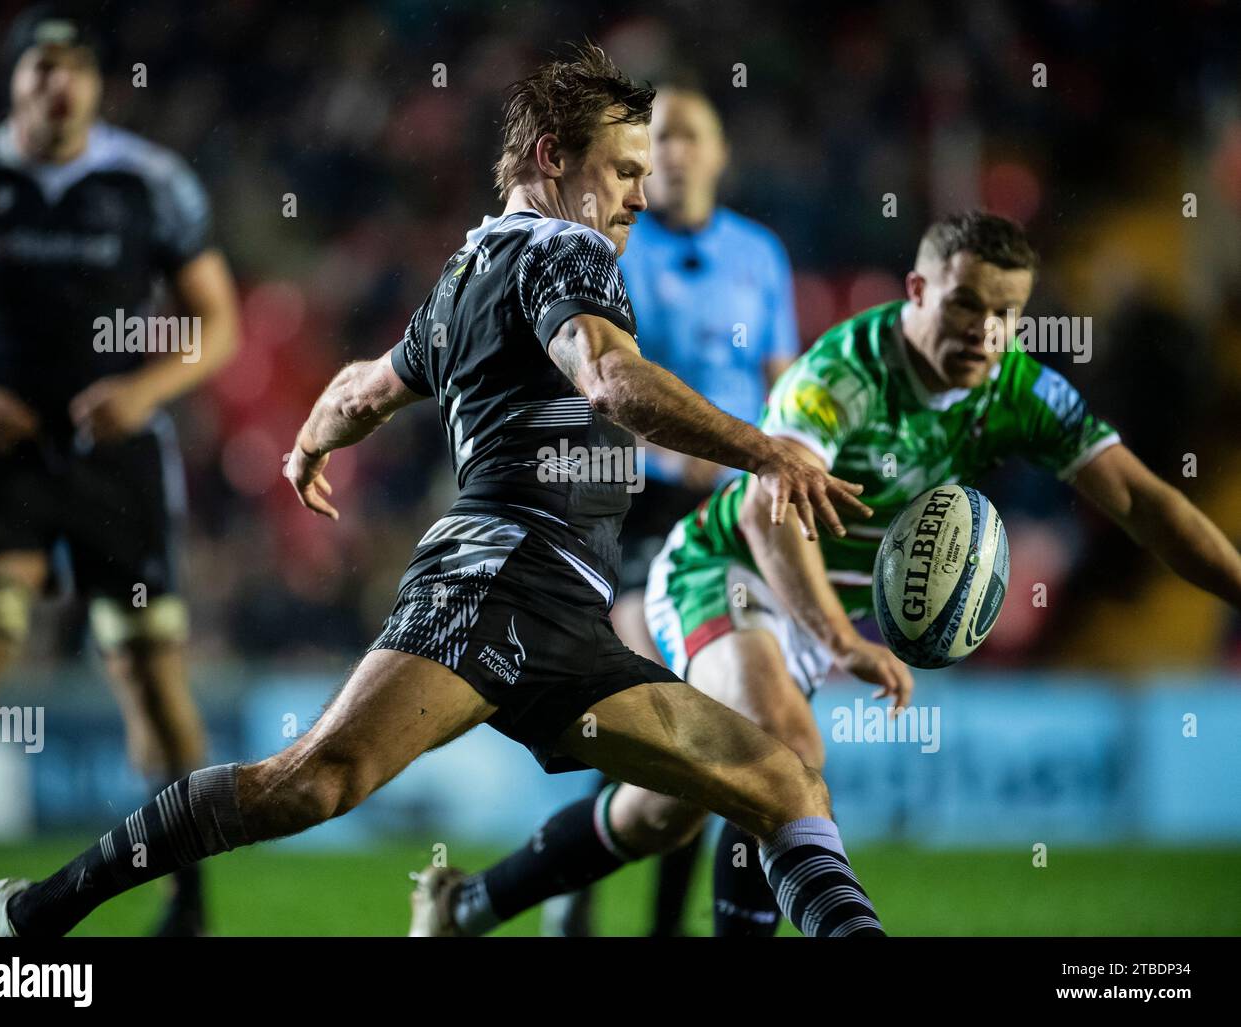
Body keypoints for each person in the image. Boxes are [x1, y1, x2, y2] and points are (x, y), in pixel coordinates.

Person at [0, 43, 884, 940]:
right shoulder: (567, 253)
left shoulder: (465, 271)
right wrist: (765, 450)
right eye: (624, 171)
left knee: (783, 781)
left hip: (567, 615)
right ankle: (32, 913)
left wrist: (311, 440)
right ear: (550, 158)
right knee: (312, 781)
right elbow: (610, 381)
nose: (641, 196)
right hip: (496, 581)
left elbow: (366, 387)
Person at [425, 210, 1241, 937]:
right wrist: (839, 640)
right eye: (964, 304)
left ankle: (467, 905)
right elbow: (762, 513)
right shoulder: (844, 374)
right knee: (782, 752)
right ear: (918, 288)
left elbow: (1141, 498)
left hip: (815, 612)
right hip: (728, 570)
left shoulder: (1020, 388)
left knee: (663, 811)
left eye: (1005, 314)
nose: (984, 332)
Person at [0, 6, 239, 935]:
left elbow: (217, 323)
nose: (54, 84)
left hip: (118, 463)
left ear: (98, 85)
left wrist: (148, 393)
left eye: (72, 67)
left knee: (150, 678)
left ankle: (187, 900)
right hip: (3, 459)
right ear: (16, 79)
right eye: (39, 66)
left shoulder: (149, 182)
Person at [548, 86, 802, 937]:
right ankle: (574, 884)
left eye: (691, 134)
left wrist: (785, 463)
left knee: (699, 715)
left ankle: (619, 906)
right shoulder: (610, 249)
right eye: (661, 138)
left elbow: (782, 385)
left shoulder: (761, 255)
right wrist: (671, 453)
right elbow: (593, 381)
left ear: (721, 152)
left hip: (736, 507)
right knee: (661, 697)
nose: (676, 152)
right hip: (633, 494)